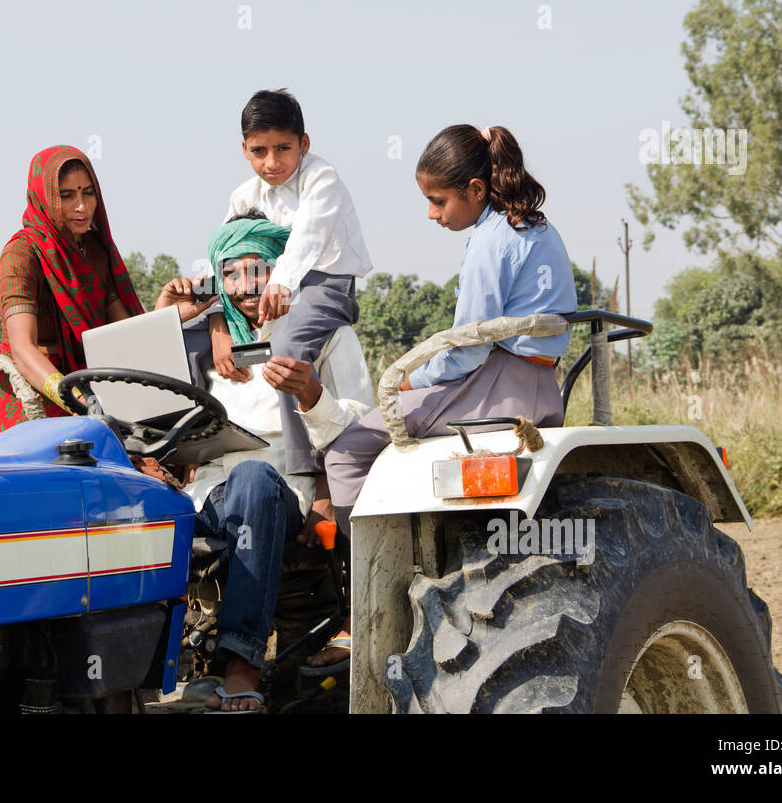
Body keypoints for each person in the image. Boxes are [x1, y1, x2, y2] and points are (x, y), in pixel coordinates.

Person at [312, 123, 577, 669]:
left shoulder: (488, 239)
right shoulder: (533, 225)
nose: (432, 214)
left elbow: (465, 348)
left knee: (344, 450)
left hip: (495, 384)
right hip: (537, 386)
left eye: (437, 201)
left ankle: (364, 606)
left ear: (476, 190)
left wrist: (410, 377)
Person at [155, 214, 376, 712]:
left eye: (257, 271)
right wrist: (165, 314)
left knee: (254, 476)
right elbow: (150, 411)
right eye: (231, 274)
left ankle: (241, 667)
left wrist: (313, 394)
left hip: (284, 489)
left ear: (283, 271)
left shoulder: (323, 333)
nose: (244, 286)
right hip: (209, 492)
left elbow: (361, 426)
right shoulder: (199, 341)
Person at [201, 89, 373, 480]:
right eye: (260, 151)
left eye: (283, 149)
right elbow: (226, 255)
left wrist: (279, 281)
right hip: (270, 287)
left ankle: (306, 469)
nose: (272, 162)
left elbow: (307, 237)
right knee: (191, 334)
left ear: (304, 144)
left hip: (324, 286)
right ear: (244, 149)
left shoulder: (321, 178)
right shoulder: (243, 195)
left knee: (285, 351)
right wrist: (216, 319)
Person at [0, 145, 145, 426]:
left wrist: (170, 312)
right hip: (38, 403)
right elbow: (22, 350)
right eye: (66, 196)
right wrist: (73, 397)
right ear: (44, 197)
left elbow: (123, 333)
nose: (82, 207)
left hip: (97, 395)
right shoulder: (21, 255)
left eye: (88, 193)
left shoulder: (96, 251)